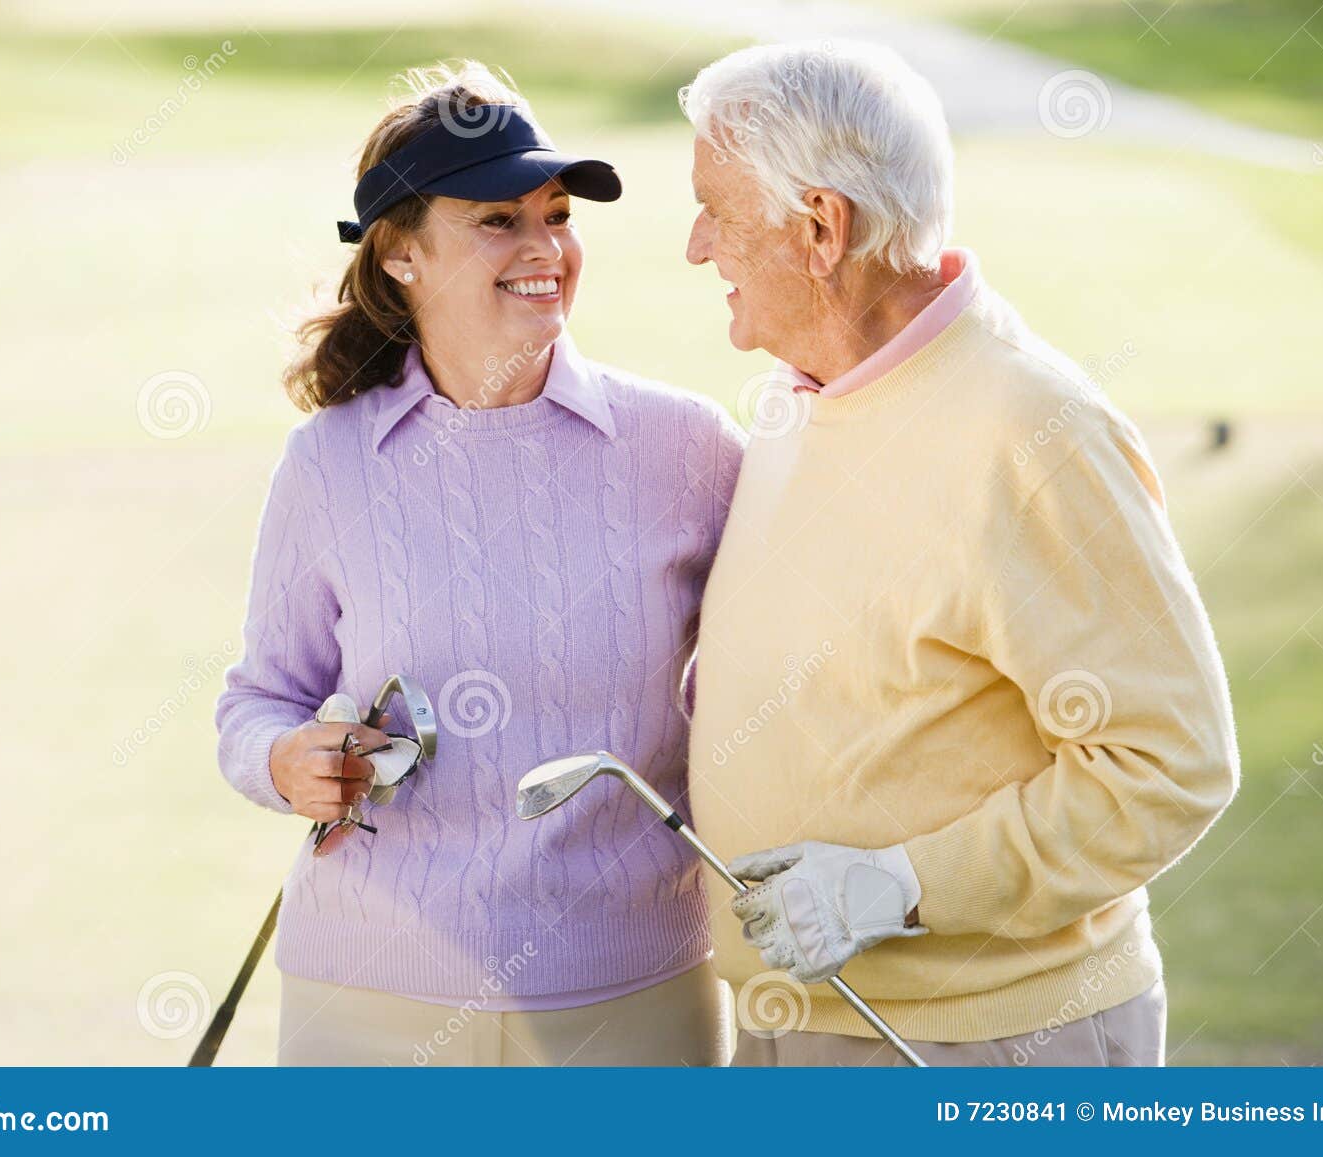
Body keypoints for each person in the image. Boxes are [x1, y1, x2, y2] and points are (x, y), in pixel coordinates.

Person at [678, 41, 1240, 1066]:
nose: (695, 245)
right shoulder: (802, 395)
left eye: (716, 209)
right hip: (793, 1028)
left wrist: (896, 885)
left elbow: (1170, 765)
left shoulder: (1033, 432)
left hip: (984, 1044)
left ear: (819, 228)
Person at [215, 61, 743, 1066]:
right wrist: (285, 760)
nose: (546, 248)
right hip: (365, 1000)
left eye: (557, 216)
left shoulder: (687, 447)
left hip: (631, 996)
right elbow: (258, 701)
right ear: (401, 254)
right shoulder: (329, 462)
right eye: (499, 220)